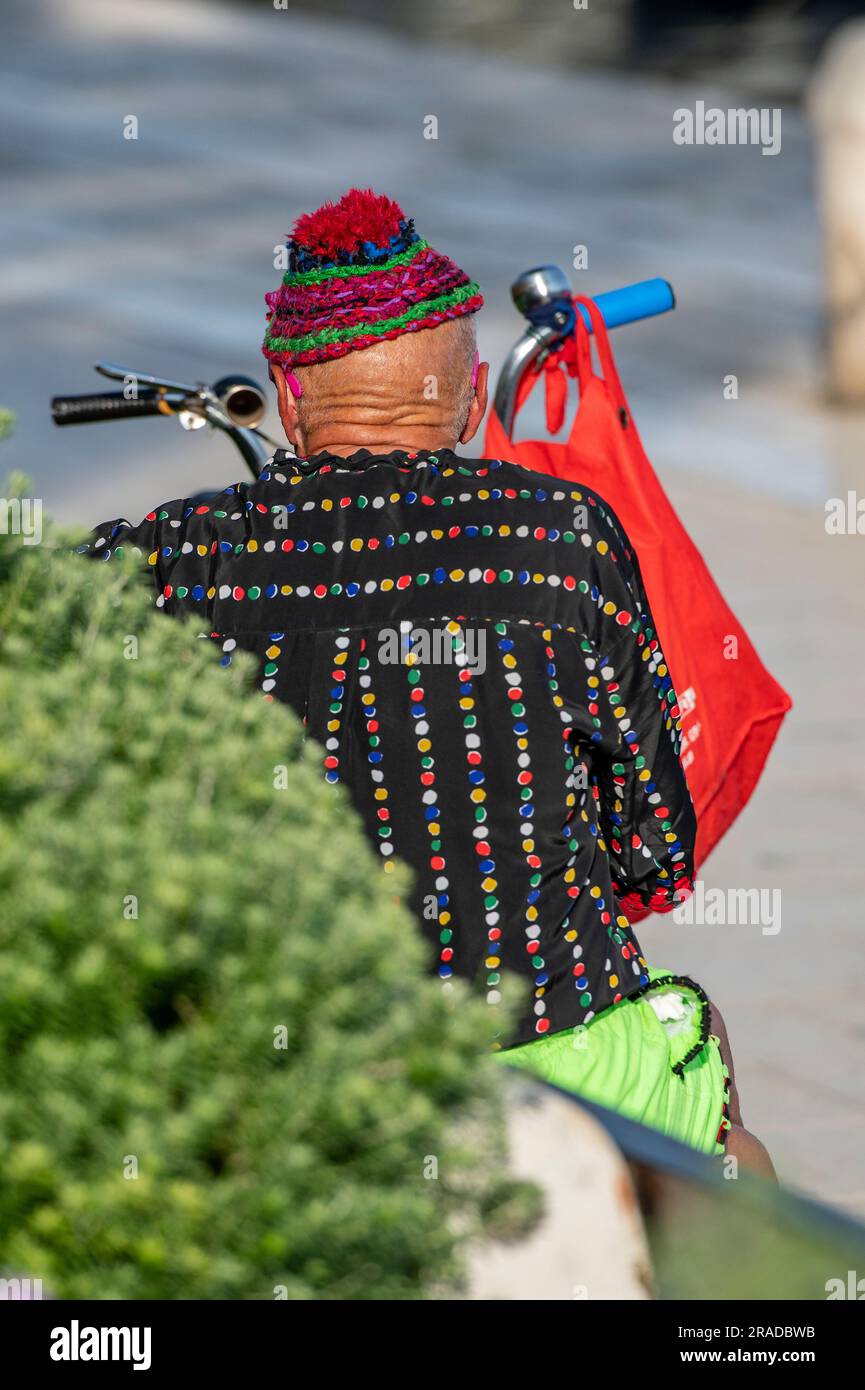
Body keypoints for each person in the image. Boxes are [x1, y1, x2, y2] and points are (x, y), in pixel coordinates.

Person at [85, 188, 773, 1176]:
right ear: (465, 392)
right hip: (550, 1057)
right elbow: (655, 847)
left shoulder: (163, 559)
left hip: (278, 1068)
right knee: (723, 1140)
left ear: (288, 394)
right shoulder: (558, 539)